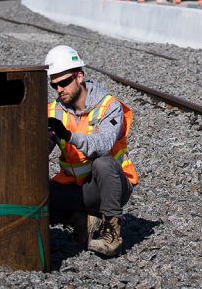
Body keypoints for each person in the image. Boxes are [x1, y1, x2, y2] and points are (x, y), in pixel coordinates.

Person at [44, 45, 139, 257]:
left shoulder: (109, 107)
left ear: (79, 76)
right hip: (76, 189)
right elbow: (39, 154)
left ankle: (111, 231)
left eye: (64, 83)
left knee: (103, 163)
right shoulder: (54, 111)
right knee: (36, 195)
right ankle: (82, 219)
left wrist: (68, 135)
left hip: (110, 186)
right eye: (54, 85)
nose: (59, 90)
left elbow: (103, 144)